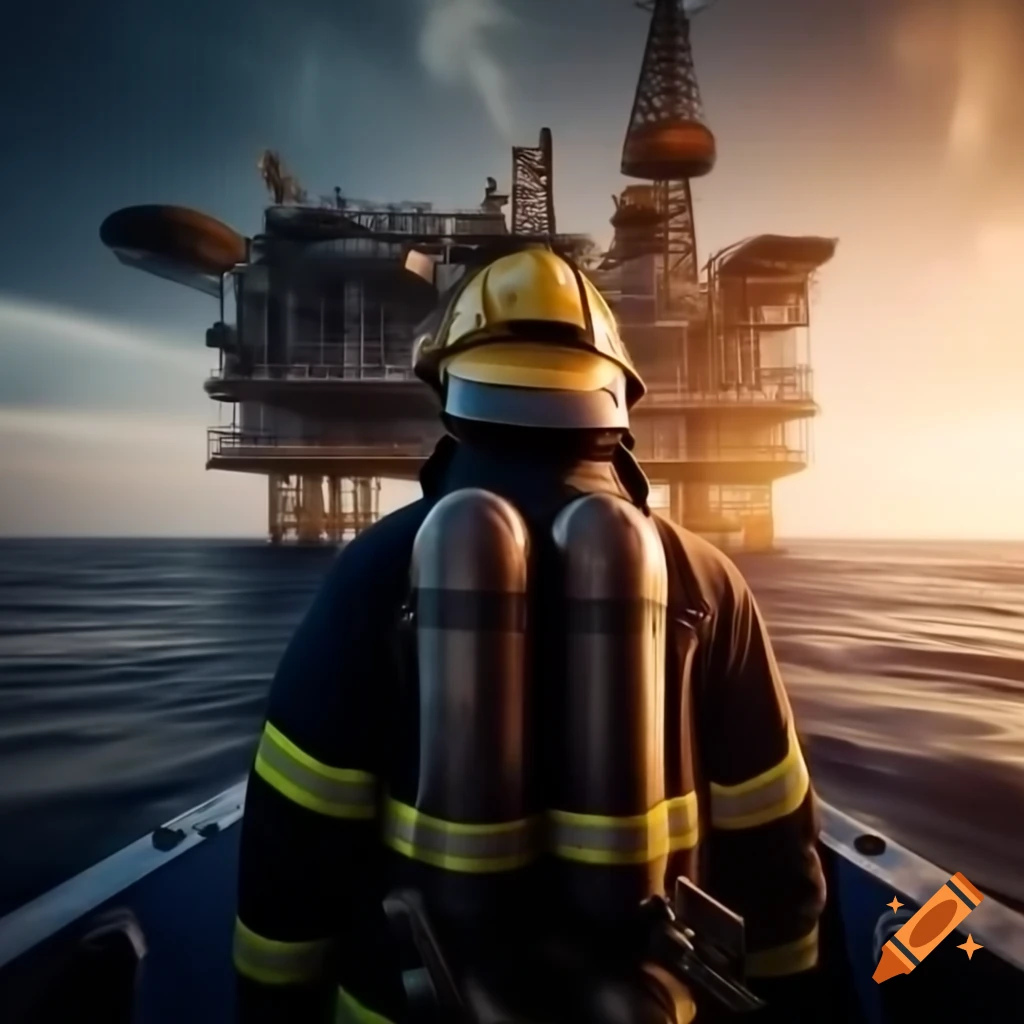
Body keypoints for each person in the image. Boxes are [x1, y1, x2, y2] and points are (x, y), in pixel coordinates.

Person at [233, 247, 826, 1024]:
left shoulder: (374, 572)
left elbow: (293, 851)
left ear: (453, 392)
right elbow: (775, 850)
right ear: (615, 398)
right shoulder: (706, 581)